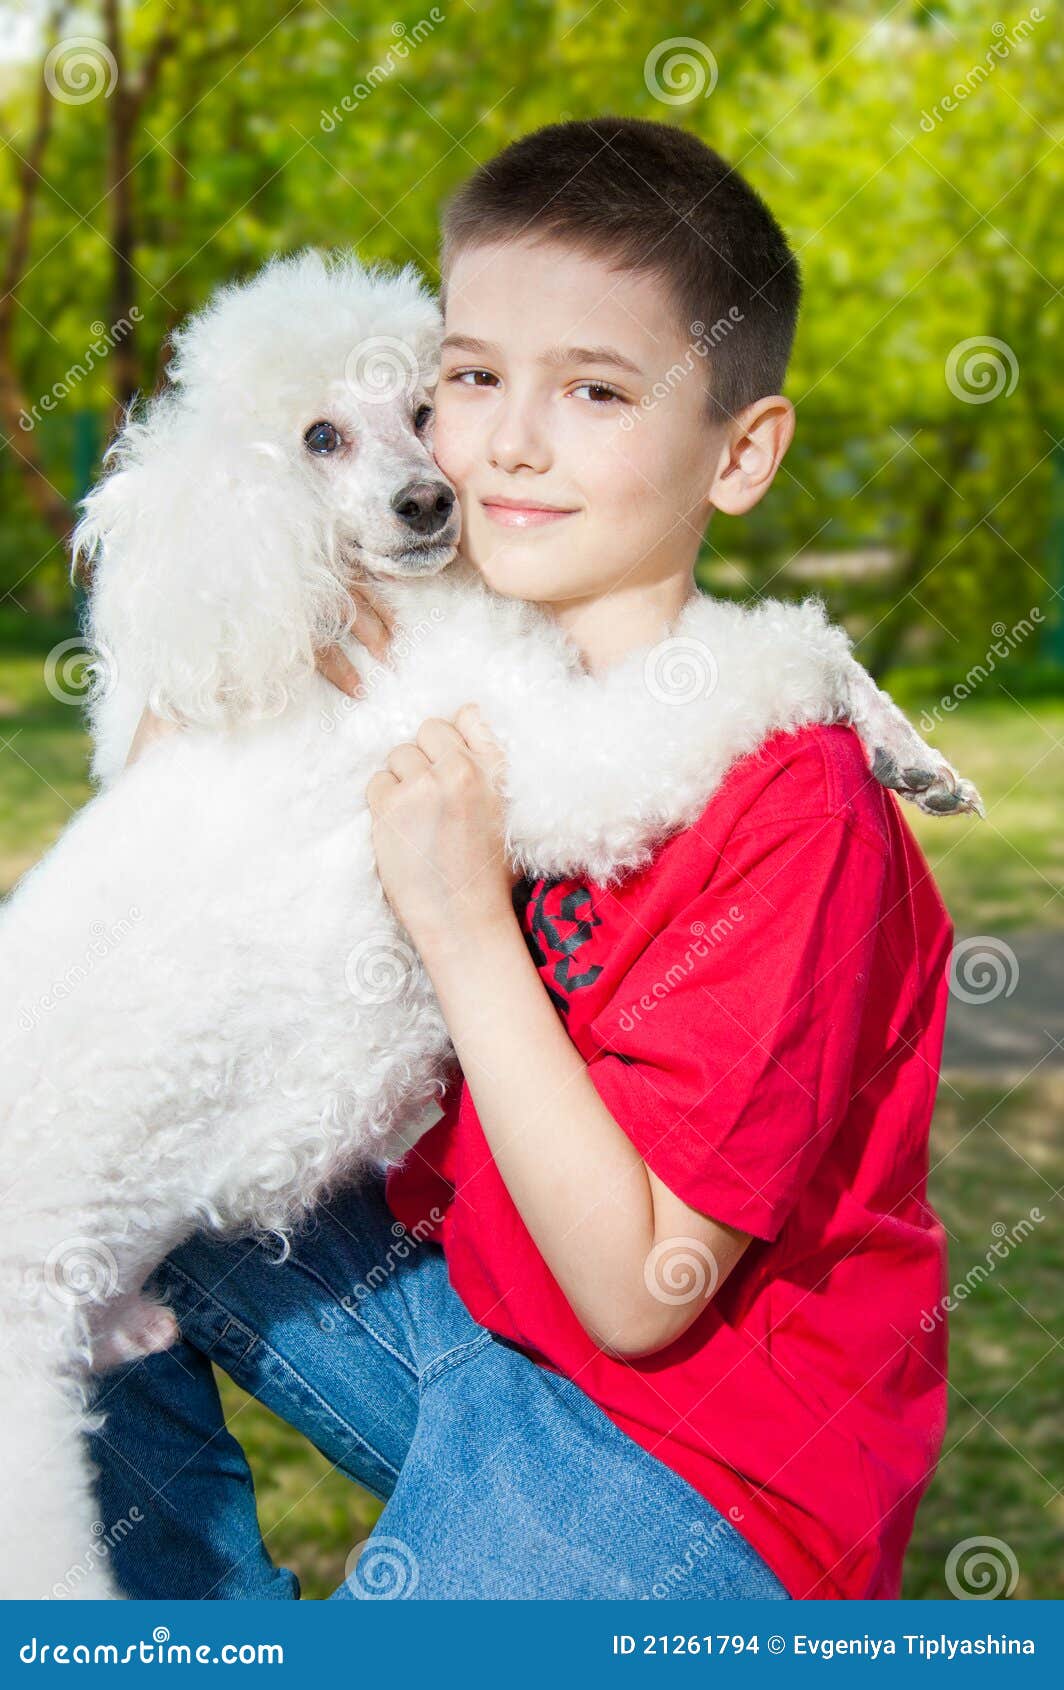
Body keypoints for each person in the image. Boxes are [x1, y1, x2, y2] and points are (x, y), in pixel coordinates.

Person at [87, 116, 952, 1601]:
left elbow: (639, 1293)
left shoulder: (793, 808)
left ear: (738, 453)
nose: (505, 445)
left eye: (597, 391)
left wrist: (460, 918)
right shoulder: (478, 678)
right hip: (480, 1320)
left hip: (701, 1453)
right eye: (472, 378)